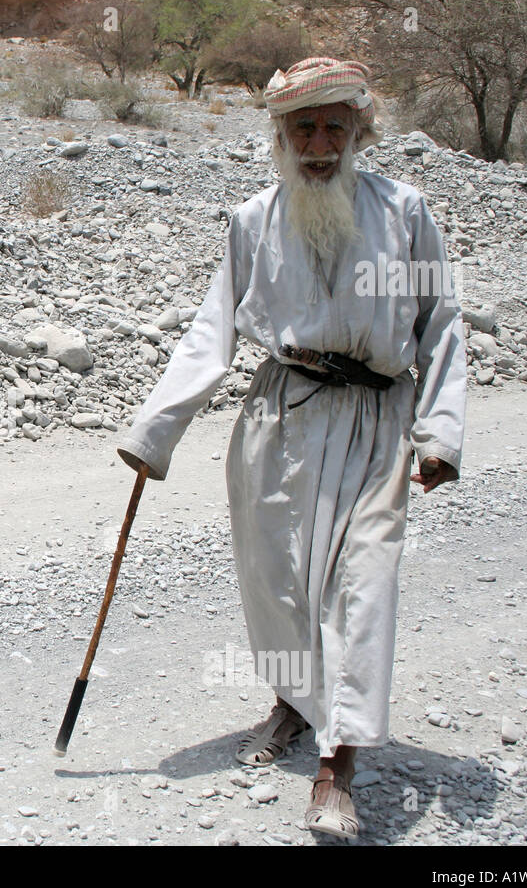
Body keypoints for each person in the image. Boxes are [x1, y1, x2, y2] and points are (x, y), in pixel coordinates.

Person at [114, 57, 467, 840]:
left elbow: (441, 323)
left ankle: (337, 765)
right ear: (279, 135)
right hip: (280, 416)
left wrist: (439, 430)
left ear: (358, 132)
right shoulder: (252, 219)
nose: (319, 142)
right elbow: (212, 335)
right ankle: (292, 702)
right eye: (303, 127)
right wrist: (155, 431)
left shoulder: (405, 212)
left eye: (334, 126)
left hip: (375, 424)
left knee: (362, 587)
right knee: (276, 585)